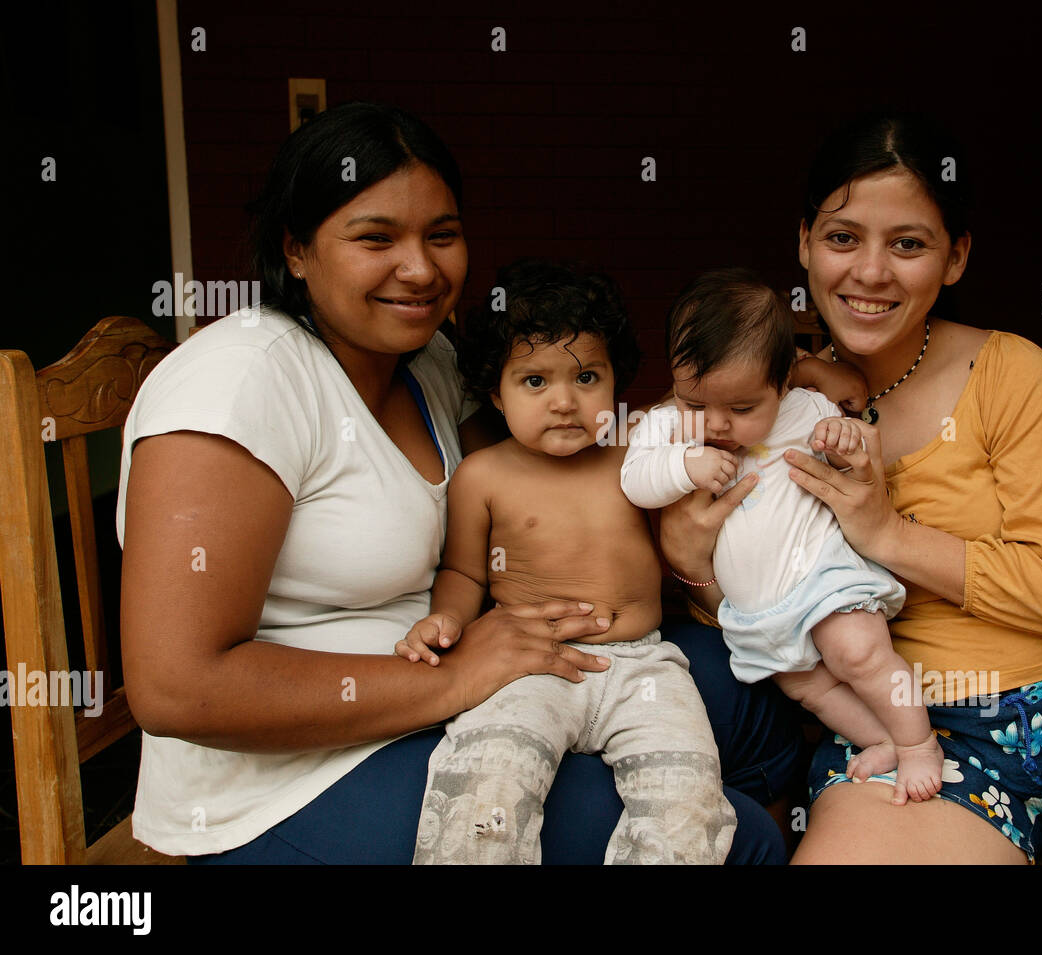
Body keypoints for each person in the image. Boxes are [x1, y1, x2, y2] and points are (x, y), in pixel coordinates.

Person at [115, 102, 795, 864]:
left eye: (441, 234)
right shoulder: (240, 382)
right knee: (741, 840)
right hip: (292, 775)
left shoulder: (429, 360)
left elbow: (547, 488)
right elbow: (177, 687)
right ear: (296, 249)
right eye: (376, 237)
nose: (420, 268)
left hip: (461, 682)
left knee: (756, 704)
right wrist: (460, 676)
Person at [656, 112, 1042, 864]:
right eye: (842, 237)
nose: (870, 271)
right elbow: (756, 608)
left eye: (909, 243)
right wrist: (690, 556)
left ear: (955, 257)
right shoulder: (762, 403)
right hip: (918, 724)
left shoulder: (1010, 372)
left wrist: (889, 534)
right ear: (803, 243)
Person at [394, 258, 736, 864]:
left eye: (586, 378)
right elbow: (465, 572)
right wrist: (446, 621)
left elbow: (707, 397)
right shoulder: (484, 475)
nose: (563, 401)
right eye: (534, 382)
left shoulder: (635, 457)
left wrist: (811, 370)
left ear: (615, 382)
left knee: (688, 795)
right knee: (487, 781)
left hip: (644, 668)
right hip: (531, 665)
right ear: (494, 394)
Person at [621, 269, 945, 804]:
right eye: (697, 404)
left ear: (782, 383)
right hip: (757, 610)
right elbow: (635, 481)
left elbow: (852, 434)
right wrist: (684, 464)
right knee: (808, 689)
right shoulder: (667, 426)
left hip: (823, 576)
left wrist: (839, 437)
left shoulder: (806, 410)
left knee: (858, 655)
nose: (717, 424)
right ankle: (880, 738)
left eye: (743, 409)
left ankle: (917, 744)